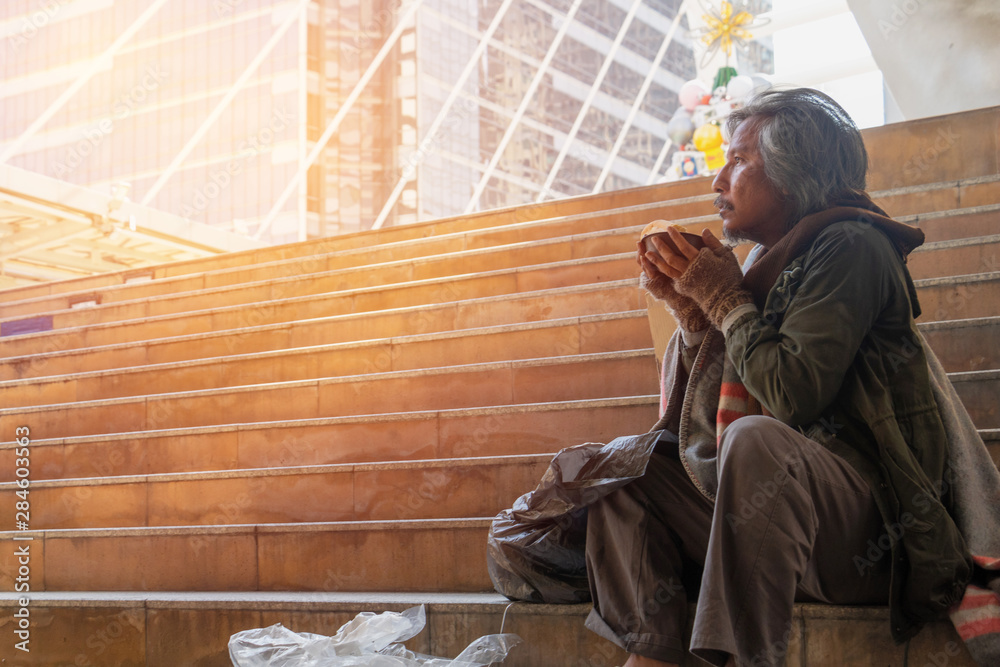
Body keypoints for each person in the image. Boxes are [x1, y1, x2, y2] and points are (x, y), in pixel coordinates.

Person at [583, 88, 1000, 666]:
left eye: (738, 160)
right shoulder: (764, 264)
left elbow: (789, 392)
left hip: (870, 534)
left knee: (757, 442)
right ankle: (654, 654)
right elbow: (688, 430)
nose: (717, 179)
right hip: (764, 523)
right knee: (620, 471)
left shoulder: (853, 246)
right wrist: (692, 312)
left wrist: (724, 299)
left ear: (790, 174)